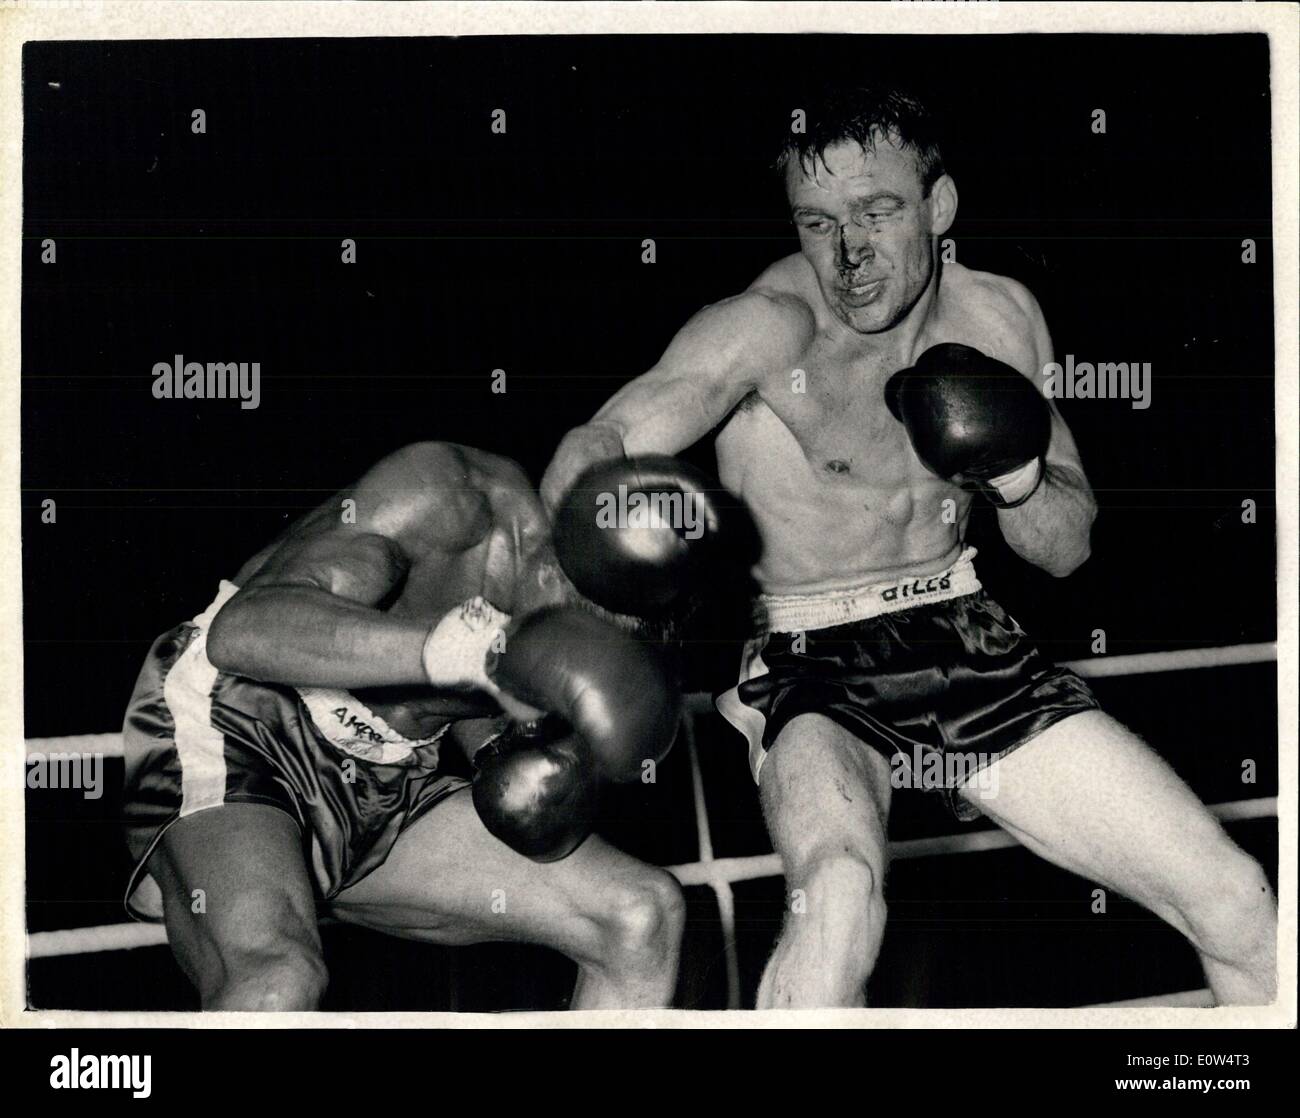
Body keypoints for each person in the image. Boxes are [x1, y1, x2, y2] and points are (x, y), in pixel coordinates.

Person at [540, 85, 1277, 1007]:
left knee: (1239, 900)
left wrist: (1011, 474)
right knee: (839, 894)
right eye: (817, 222)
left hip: (969, 634)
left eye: (876, 212)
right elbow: (600, 444)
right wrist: (584, 571)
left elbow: (1066, 548)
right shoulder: (770, 326)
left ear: (940, 206)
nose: (847, 256)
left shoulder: (1001, 320)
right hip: (810, 659)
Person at [122, 440, 708, 1011]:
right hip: (244, 719)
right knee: (277, 982)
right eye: (578, 620)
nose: (572, 645)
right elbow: (242, 631)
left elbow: (480, 709)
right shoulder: (449, 499)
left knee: (639, 916)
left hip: (389, 777)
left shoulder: (626, 632)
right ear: (555, 559)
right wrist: (466, 650)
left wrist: (508, 755)